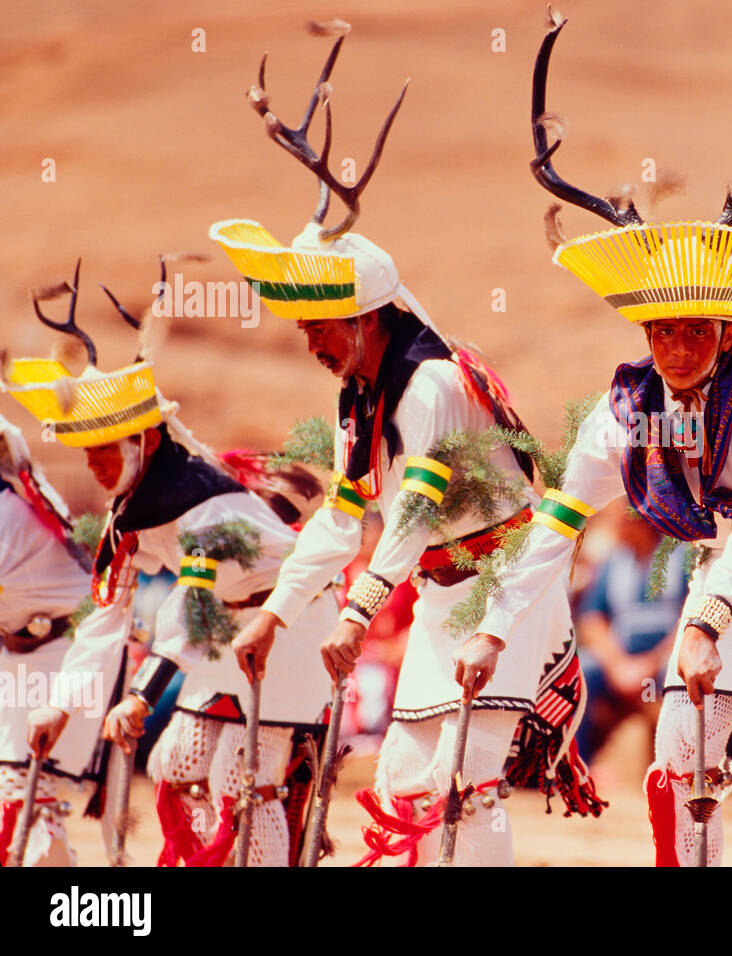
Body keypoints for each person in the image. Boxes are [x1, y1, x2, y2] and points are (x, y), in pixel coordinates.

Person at [466, 11, 732, 867]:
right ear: (646, 333)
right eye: (664, 332)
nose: (681, 345)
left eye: (697, 329)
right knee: (679, 757)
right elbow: (557, 528)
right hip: (731, 565)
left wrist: (702, 621)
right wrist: (493, 629)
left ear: (719, 327)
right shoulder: (620, 413)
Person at [212, 30, 587, 867]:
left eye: (318, 322)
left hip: (507, 586)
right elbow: (345, 522)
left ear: (366, 315)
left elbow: (412, 510)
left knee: (462, 780)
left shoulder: (429, 388)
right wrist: (275, 614)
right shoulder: (361, 397)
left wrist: (352, 612)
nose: (307, 338)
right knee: (407, 783)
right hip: (440, 592)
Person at [7, 264, 334, 867]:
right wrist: (64, 702)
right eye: (87, 453)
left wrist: (139, 695)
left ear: (147, 441)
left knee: (245, 779)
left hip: (289, 625)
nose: (96, 466)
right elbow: (105, 619)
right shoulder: (129, 515)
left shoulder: (203, 503)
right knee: (177, 760)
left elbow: (193, 603)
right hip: (223, 635)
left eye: (106, 450)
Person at [0, 413, 92, 865]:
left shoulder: (6, 510)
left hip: (63, 655)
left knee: (27, 798)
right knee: (19, 797)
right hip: (20, 652)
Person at [574, 510, 687, 765]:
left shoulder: (682, 556)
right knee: (581, 672)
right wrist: (618, 665)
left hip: (666, 661)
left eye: (621, 523)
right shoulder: (613, 562)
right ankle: (580, 768)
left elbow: (692, 617)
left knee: (677, 679)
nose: (616, 530)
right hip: (620, 665)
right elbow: (592, 619)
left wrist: (650, 663)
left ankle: (679, 769)